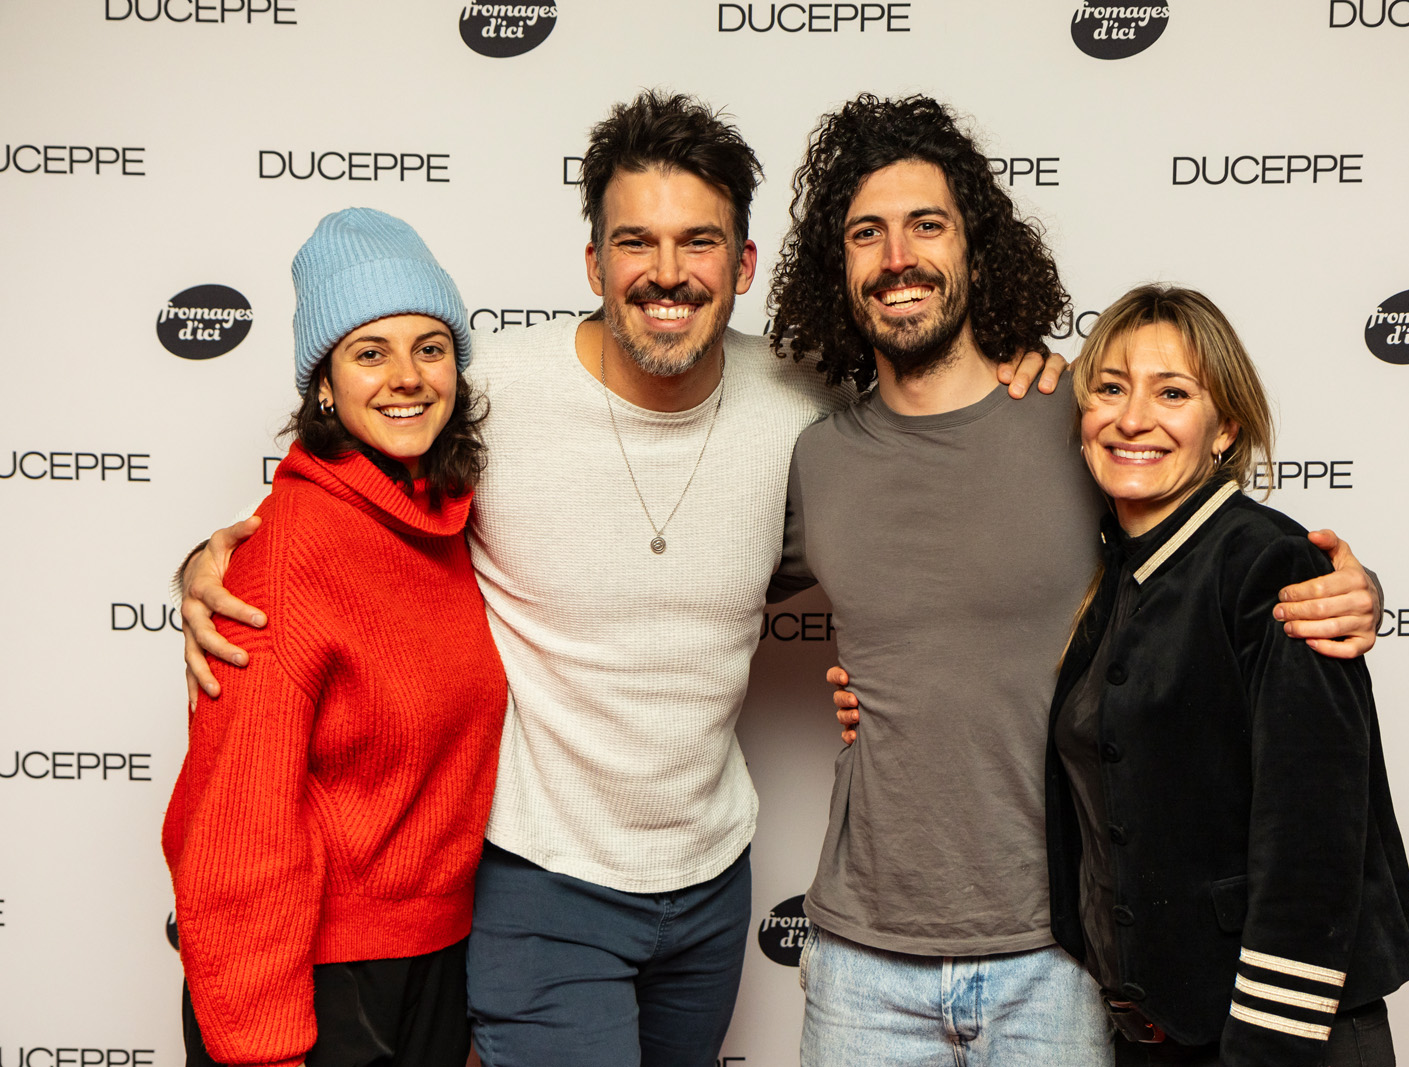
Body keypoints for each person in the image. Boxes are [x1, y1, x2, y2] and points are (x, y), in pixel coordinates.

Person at [174, 91, 1065, 1067]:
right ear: (595, 263)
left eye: (700, 242)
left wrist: (1023, 366)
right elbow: (359, 506)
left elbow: (926, 473)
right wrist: (221, 552)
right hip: (541, 882)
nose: (669, 273)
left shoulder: (804, 405)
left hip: (713, 883)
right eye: (637, 242)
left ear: (745, 265)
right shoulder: (484, 396)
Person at [766, 95, 1384, 1065]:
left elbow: (1212, 549)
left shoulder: (1077, 420)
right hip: (860, 959)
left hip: (1060, 947)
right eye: (865, 233)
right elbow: (685, 595)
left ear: (976, 248)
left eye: (927, 224)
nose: (897, 256)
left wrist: (1341, 586)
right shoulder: (817, 461)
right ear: (833, 268)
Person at [1045, 285, 1409, 1065]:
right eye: (1110, 388)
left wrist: (1265, 1048)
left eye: (1173, 392)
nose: (1132, 417)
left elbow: (1313, 845)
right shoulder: (1114, 577)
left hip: (1282, 1037)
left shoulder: (1272, 565)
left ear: (1225, 429)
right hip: (1166, 1031)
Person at [163, 207, 508, 1067]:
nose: (406, 376)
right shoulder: (283, 558)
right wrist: (263, 1050)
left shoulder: (446, 521)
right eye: (369, 351)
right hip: (315, 984)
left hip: (434, 961)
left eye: (431, 347)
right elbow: (236, 827)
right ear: (323, 382)